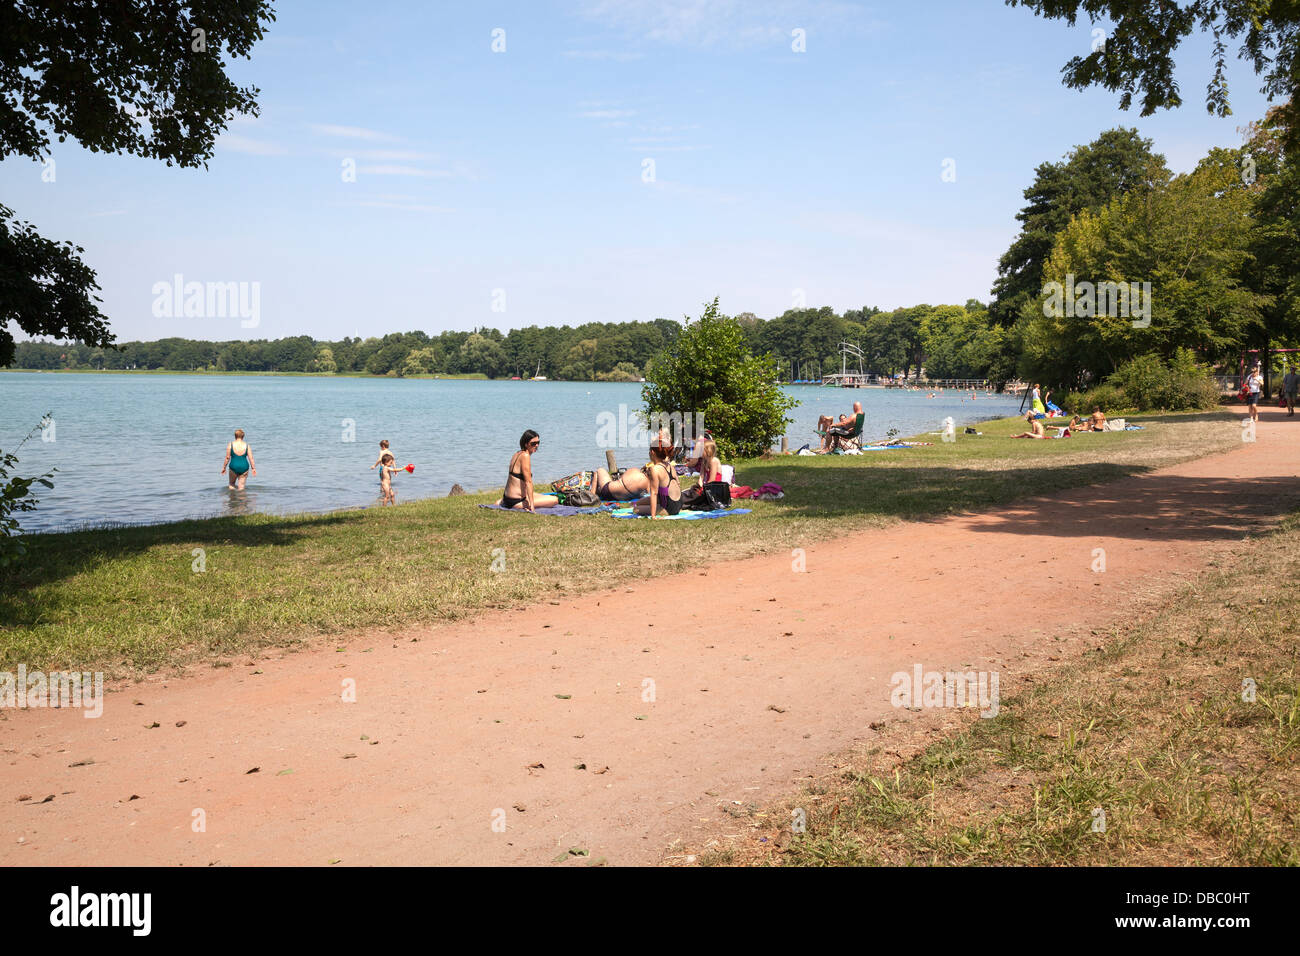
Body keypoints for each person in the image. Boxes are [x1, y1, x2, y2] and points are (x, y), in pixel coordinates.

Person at [498, 430, 558, 511]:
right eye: (533, 444)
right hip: (516, 501)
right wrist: (532, 507)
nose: (536, 445)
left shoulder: (517, 454)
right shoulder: (525, 456)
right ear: (526, 444)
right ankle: (520, 505)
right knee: (554, 500)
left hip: (508, 498)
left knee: (542, 496)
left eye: (538, 443)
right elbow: (528, 482)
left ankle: (501, 502)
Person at [632, 442, 682, 517]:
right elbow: (677, 484)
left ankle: (661, 510)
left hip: (668, 508)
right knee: (638, 503)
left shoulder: (655, 469)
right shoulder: (670, 466)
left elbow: (654, 493)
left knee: (636, 509)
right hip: (678, 504)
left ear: (652, 452)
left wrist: (653, 515)